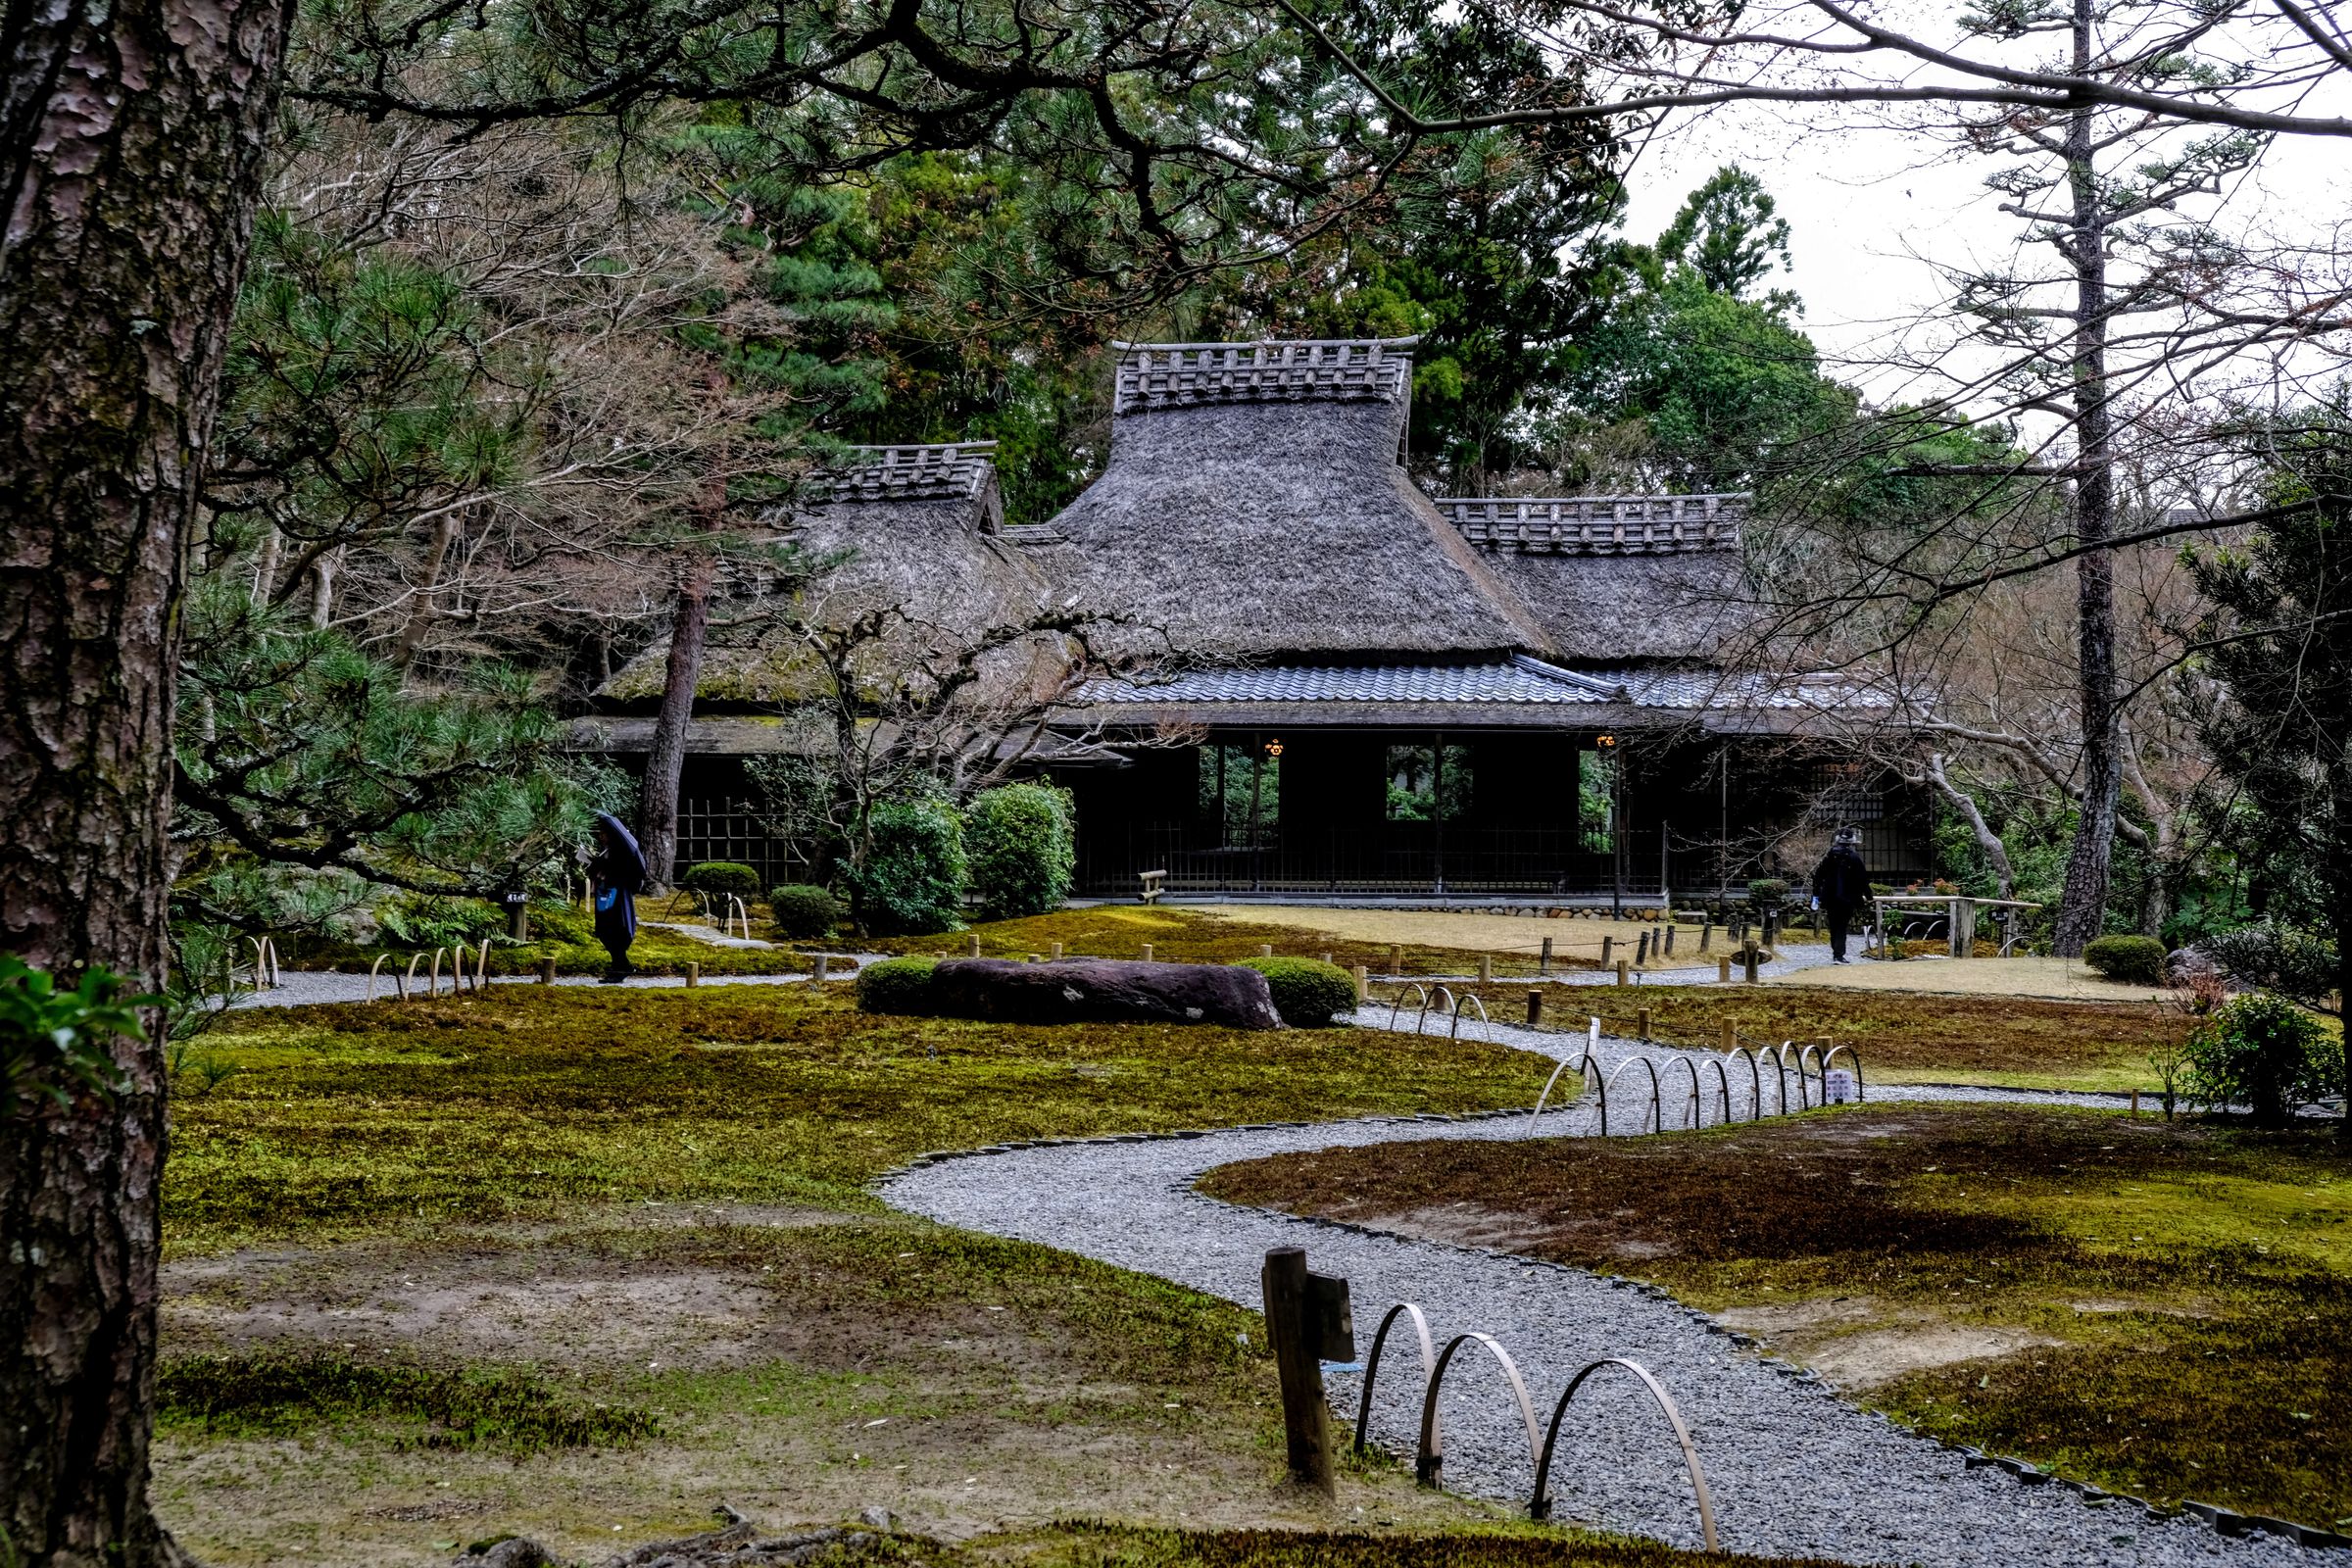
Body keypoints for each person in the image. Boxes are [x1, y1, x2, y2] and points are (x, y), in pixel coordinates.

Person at [586, 811, 646, 982]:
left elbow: (617, 872)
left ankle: (621, 967)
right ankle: (619, 966)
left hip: (617, 896)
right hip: (606, 894)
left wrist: (600, 865)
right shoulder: (608, 851)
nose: (601, 836)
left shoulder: (622, 853)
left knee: (615, 929)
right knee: (604, 930)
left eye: (603, 833)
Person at [1810, 826, 1871, 963]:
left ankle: (1836, 952)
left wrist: (1816, 892)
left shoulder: (1830, 856)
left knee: (1834, 924)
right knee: (1842, 926)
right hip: (1847, 897)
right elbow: (1862, 878)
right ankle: (1839, 954)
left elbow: (1819, 875)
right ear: (1851, 842)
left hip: (1830, 896)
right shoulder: (1854, 857)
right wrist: (1869, 896)